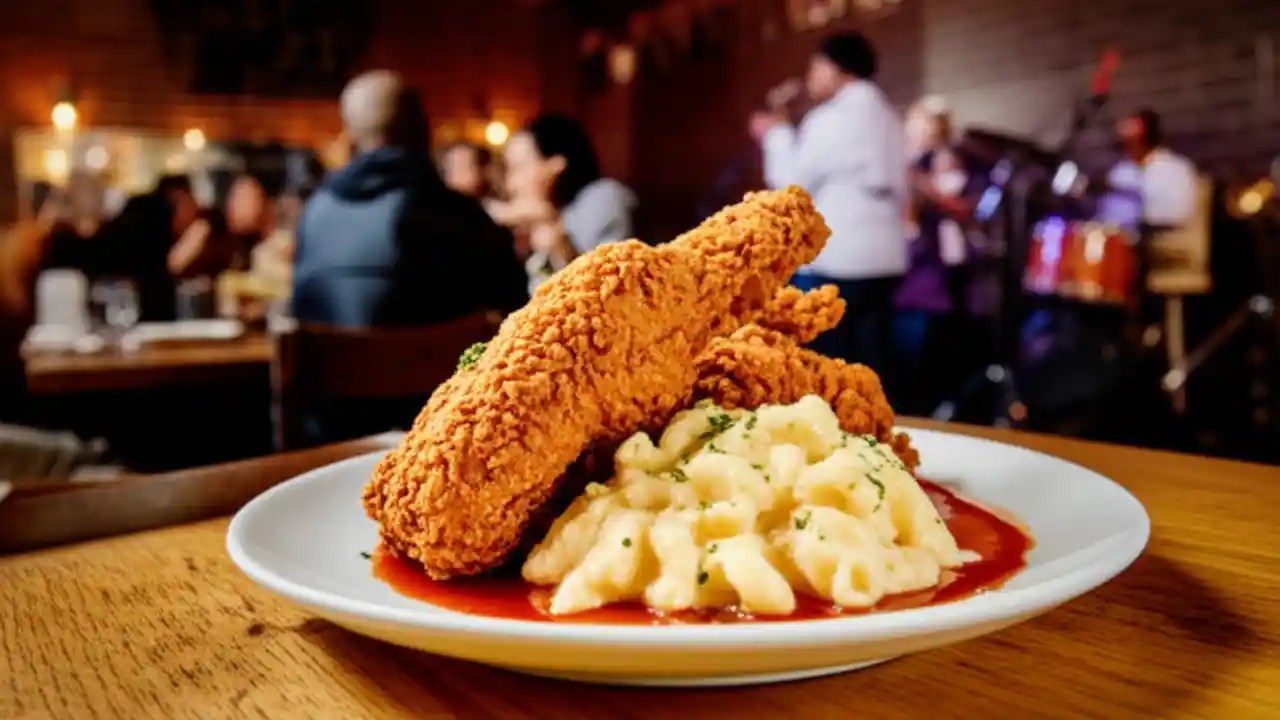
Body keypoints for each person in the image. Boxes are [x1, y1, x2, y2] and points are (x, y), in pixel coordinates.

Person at [291, 70, 527, 327]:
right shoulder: (458, 216)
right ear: (423, 128)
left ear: (351, 136)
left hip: (332, 367)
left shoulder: (315, 213)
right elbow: (517, 311)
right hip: (434, 367)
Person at [751, 32, 907, 372]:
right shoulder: (890, 118)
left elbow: (791, 185)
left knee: (829, 365)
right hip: (887, 258)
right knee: (875, 361)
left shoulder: (831, 118)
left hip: (841, 260)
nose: (811, 76)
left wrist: (775, 134)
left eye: (816, 66)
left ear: (840, 69)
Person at [893, 97, 978, 415]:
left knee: (935, 348)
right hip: (915, 272)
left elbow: (961, 208)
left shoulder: (942, 162)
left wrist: (922, 182)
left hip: (938, 276)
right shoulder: (910, 164)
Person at [489, 114, 636, 289]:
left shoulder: (602, 197)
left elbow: (607, 290)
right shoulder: (551, 215)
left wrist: (558, 240)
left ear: (556, 166)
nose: (511, 183)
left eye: (519, 167)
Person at [1097, 109, 1198, 232]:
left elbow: (1180, 212)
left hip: (1161, 238)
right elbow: (1108, 214)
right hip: (1122, 239)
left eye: (1133, 132)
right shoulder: (1120, 172)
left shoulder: (1177, 169)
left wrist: (1140, 219)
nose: (1125, 137)